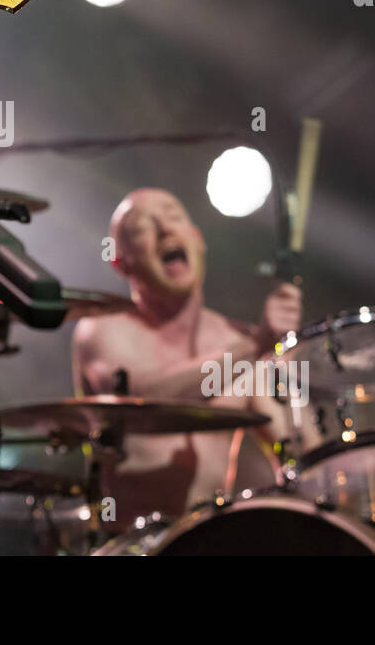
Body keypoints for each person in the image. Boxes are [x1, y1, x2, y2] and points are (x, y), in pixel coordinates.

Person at [72, 188, 301, 529]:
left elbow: (302, 454)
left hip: (212, 542)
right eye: (141, 228)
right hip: (130, 546)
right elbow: (138, 401)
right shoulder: (101, 330)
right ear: (120, 261)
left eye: (174, 216)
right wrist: (256, 349)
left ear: (197, 240)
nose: (165, 229)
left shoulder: (241, 340)